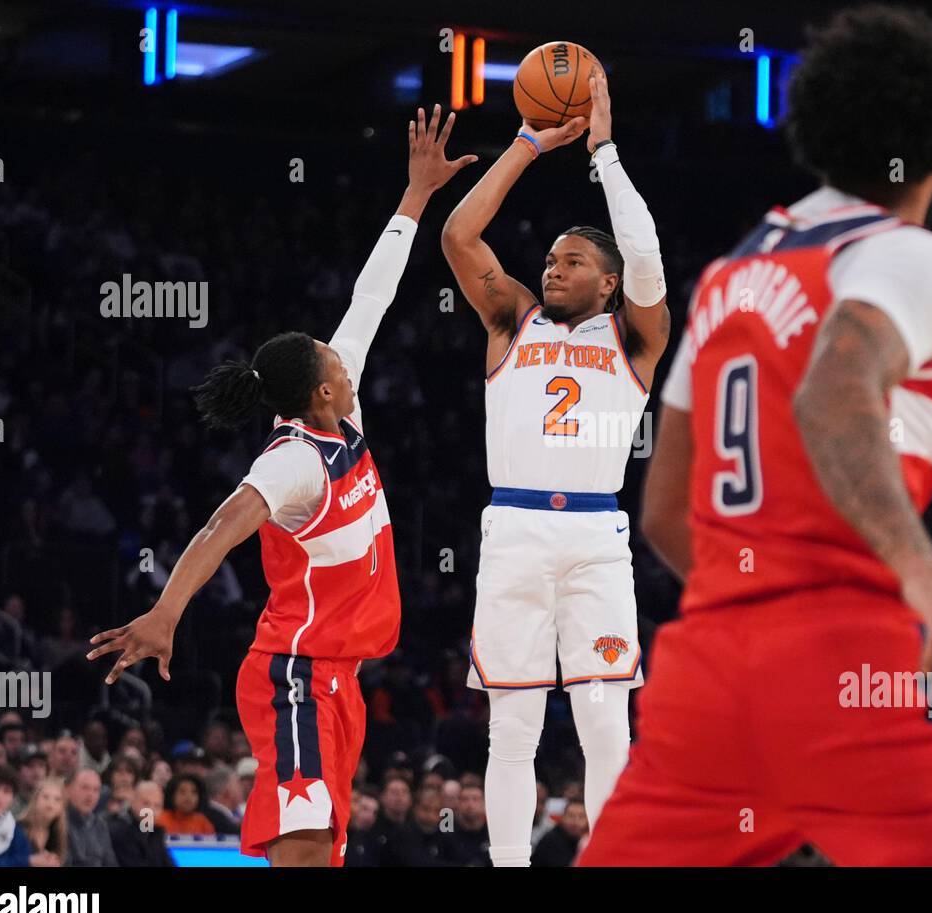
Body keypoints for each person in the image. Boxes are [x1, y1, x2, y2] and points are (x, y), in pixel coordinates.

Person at [581, 4, 932, 867]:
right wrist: (924, 576)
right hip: (853, 660)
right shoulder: (916, 256)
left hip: (709, 674)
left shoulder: (730, 276)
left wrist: (758, 618)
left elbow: (661, 512)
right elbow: (836, 388)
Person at [87, 105, 476, 867]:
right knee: (299, 857)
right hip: (294, 678)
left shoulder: (342, 406)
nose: (340, 352)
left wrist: (415, 198)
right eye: (330, 358)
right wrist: (167, 611)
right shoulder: (293, 461)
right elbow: (218, 527)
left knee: (320, 855)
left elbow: (373, 297)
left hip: (340, 682)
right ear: (321, 393)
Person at [441, 69, 671, 868]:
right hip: (514, 526)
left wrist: (605, 154)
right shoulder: (510, 318)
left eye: (572, 262)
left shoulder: (636, 334)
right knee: (514, 724)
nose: (552, 268)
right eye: (549, 259)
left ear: (608, 284)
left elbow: (646, 258)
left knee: (606, 718)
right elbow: (459, 239)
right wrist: (528, 143)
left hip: (596, 534)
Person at [107, 781, 174, 867]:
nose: (151, 811)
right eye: (146, 803)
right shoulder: (118, 831)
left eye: (157, 806)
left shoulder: (155, 834)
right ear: (133, 801)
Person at [66, 767, 118, 866]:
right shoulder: (60, 823)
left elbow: (110, 863)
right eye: (85, 788)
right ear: (68, 790)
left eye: (96, 790)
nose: (90, 795)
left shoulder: (100, 825)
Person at [18, 777, 68, 866]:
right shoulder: (19, 828)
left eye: (57, 799)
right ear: (35, 800)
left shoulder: (57, 834)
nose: (50, 802)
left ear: (62, 808)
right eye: (45, 797)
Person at [531, 799, 587, 867]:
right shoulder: (550, 842)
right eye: (571, 816)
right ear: (563, 818)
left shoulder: (586, 840)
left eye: (581, 817)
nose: (575, 822)